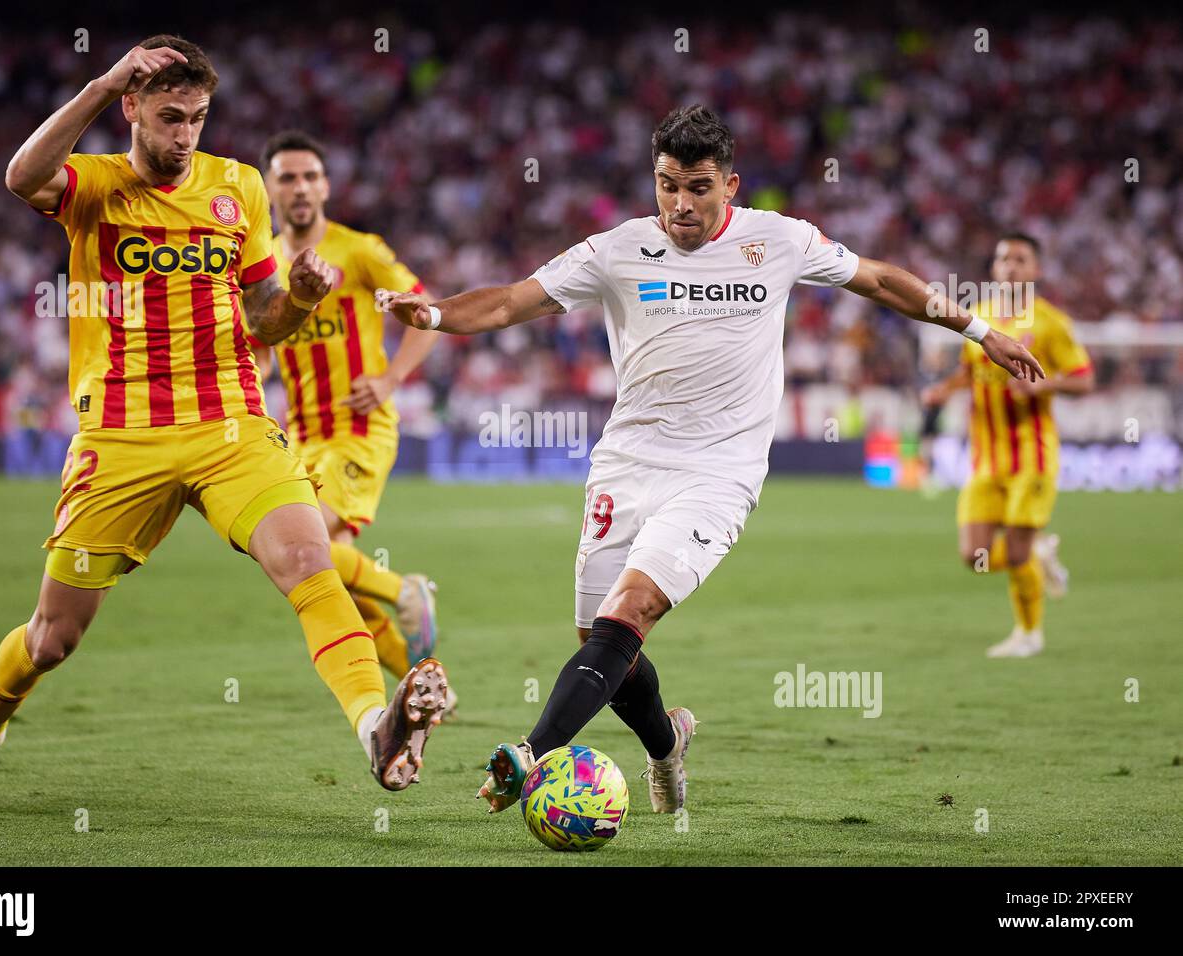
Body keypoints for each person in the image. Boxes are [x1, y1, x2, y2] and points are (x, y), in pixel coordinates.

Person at [381, 104, 1043, 816]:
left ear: (730, 184)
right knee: (601, 640)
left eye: (698, 187)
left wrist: (979, 329)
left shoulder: (780, 241)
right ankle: (667, 743)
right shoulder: (617, 249)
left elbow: (879, 280)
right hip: (626, 465)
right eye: (667, 185)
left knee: (629, 612)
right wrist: (438, 315)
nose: (680, 204)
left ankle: (530, 754)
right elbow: (513, 301)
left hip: (718, 474)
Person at [0, 36, 448, 820]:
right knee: (52, 638)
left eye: (197, 118)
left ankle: (375, 726)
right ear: (132, 107)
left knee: (310, 561)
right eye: (170, 117)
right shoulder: (95, 184)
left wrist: (297, 296)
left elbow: (265, 317)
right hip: (122, 433)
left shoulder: (239, 187)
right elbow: (21, 176)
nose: (185, 135)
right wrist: (102, 80)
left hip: (229, 421)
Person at [258, 131, 452, 709]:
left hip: (358, 430)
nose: (299, 187)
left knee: (300, 545)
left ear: (326, 186)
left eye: (310, 176)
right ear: (268, 187)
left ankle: (405, 589)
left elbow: (424, 312)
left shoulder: (358, 250)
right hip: (302, 437)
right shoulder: (264, 263)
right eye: (287, 176)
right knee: (325, 570)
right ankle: (425, 684)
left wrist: (391, 379)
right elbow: (263, 344)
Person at [922, 232, 1093, 657]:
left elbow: (1084, 379)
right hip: (985, 459)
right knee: (974, 555)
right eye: (1004, 259)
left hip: (1032, 457)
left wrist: (1044, 387)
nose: (1011, 266)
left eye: (1021, 259)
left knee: (1015, 553)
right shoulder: (977, 318)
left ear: (1035, 270)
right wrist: (945, 389)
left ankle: (1029, 634)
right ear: (994, 269)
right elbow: (970, 371)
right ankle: (1041, 554)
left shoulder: (1051, 322)